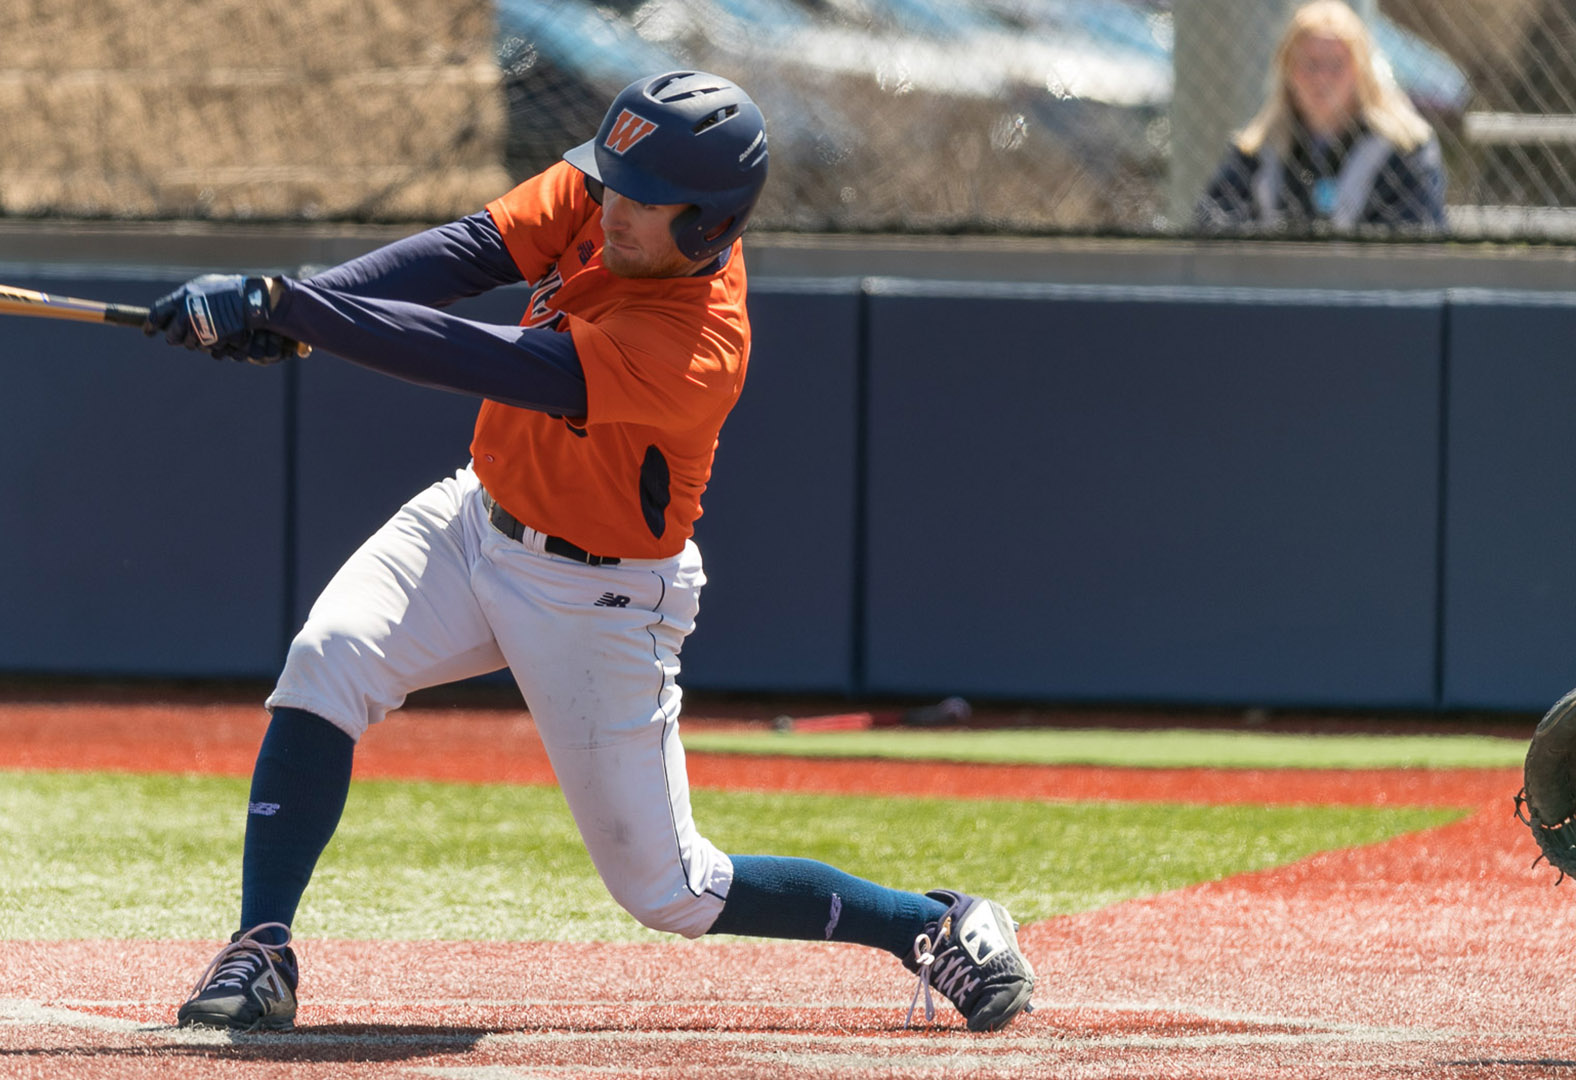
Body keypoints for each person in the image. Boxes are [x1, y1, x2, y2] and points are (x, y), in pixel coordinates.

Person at [145, 71, 1035, 1034]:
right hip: (477, 516)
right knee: (328, 659)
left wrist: (291, 309)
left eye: (642, 201)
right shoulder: (613, 187)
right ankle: (263, 947)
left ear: (707, 222)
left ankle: (931, 924)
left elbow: (481, 358)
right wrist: (293, 311)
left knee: (673, 891)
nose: (610, 206)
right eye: (609, 182)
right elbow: (466, 251)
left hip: (599, 595)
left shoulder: (698, 342)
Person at [1195, 0, 1445, 233]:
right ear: (1287, 70)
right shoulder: (1259, 147)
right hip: (1274, 277)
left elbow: (1414, 233)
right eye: (1310, 63)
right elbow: (1212, 221)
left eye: (1336, 65)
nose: (1321, 78)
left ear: (1361, 73)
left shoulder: (1405, 148)